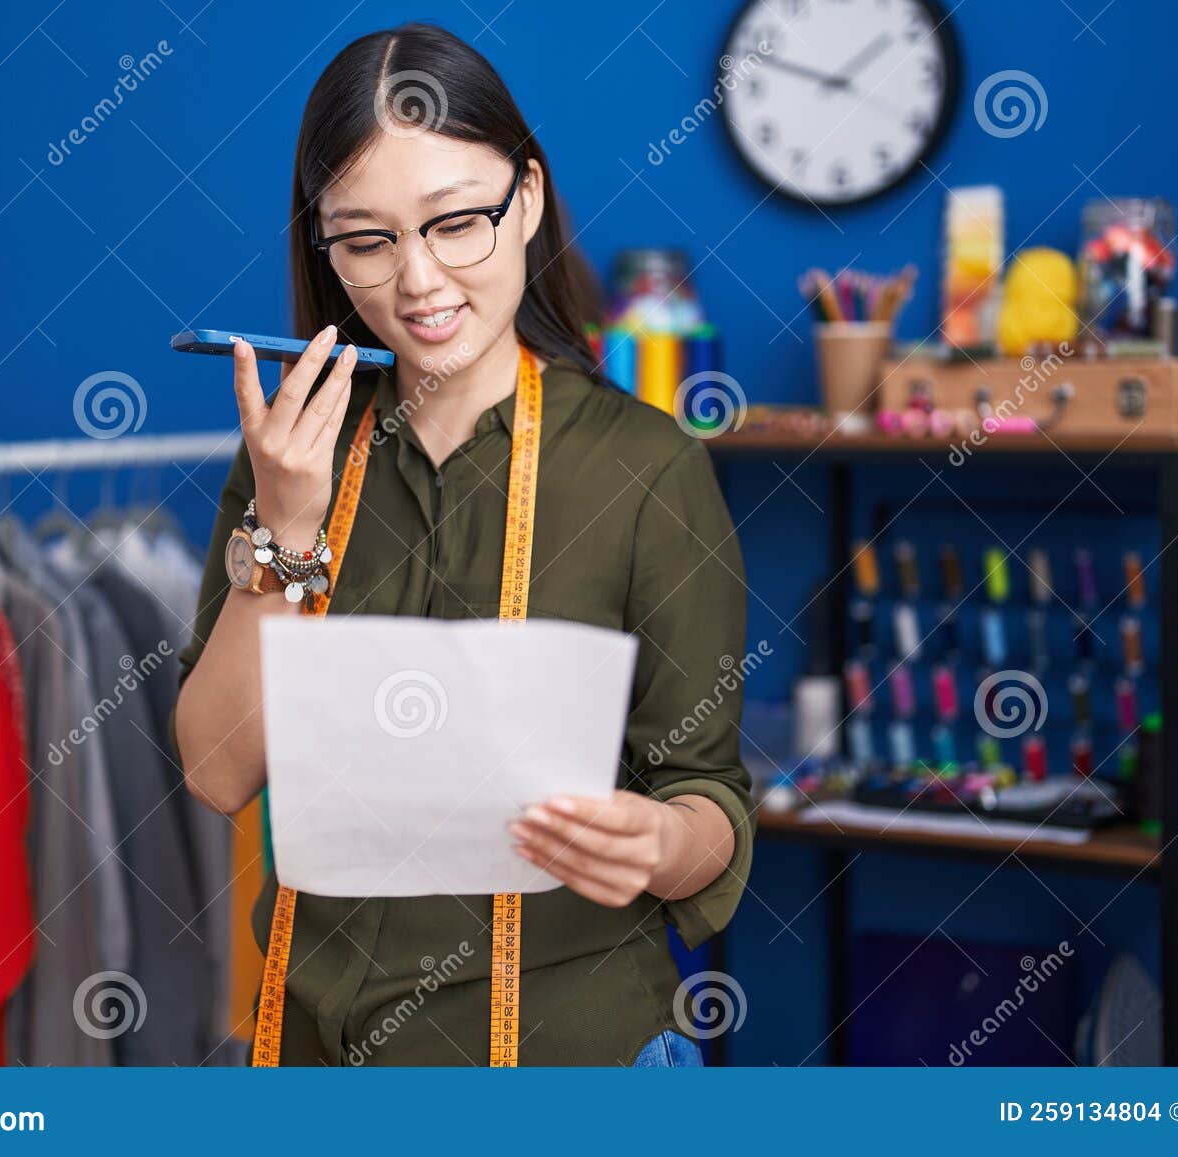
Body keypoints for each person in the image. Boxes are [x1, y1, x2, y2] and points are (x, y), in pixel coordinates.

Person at [173, 21, 752, 1067]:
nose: (418, 282)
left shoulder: (645, 465)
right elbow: (218, 771)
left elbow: (706, 792)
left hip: (571, 1062)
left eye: (455, 224)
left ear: (525, 197)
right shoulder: (292, 454)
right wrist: (284, 529)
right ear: (324, 247)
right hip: (309, 1056)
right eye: (367, 240)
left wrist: (662, 844)